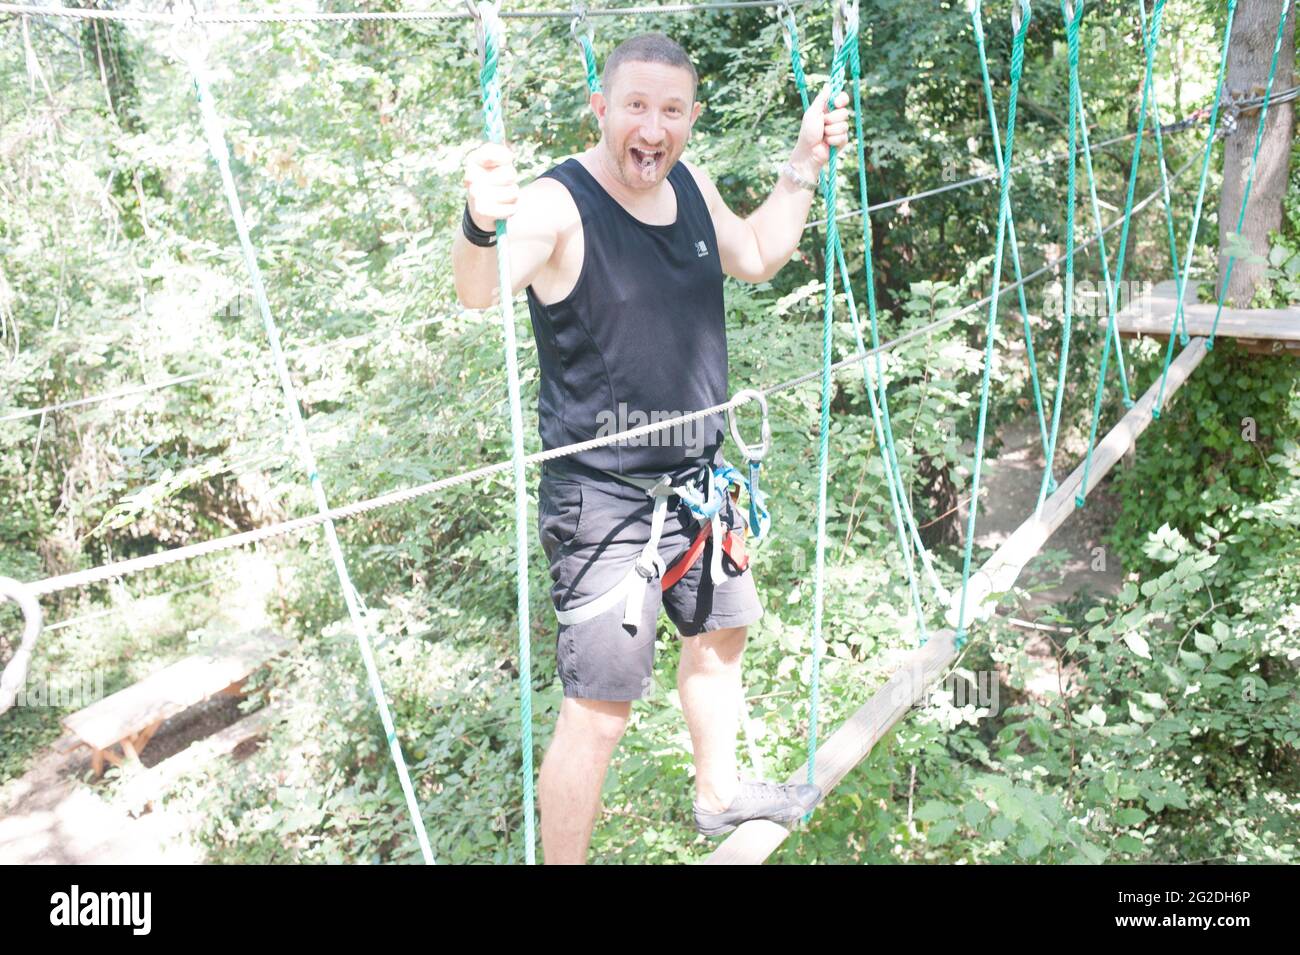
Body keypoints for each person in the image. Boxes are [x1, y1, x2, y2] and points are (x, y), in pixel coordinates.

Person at [453, 32, 851, 864]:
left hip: (698, 484)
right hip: (601, 498)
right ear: (601, 109)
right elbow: (479, 292)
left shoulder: (692, 186)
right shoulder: (561, 204)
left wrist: (802, 164)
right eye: (635, 105)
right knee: (598, 711)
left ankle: (719, 794)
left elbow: (759, 253)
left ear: (691, 120)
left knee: (720, 639)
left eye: (671, 110)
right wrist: (480, 222)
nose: (653, 126)